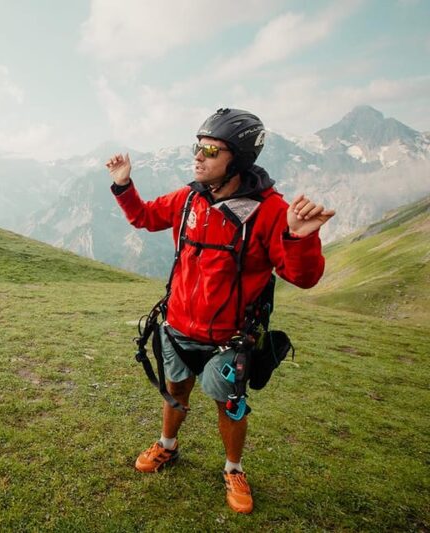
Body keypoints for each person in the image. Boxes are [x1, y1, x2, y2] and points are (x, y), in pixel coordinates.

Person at [106, 108, 335, 514]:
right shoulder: (188, 198)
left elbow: (303, 278)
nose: (199, 156)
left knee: (229, 404)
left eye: (212, 150)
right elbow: (145, 217)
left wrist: (299, 238)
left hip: (230, 340)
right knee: (176, 389)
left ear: (239, 158)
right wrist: (123, 184)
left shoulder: (269, 211)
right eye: (198, 147)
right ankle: (167, 445)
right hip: (178, 327)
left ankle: (233, 469)